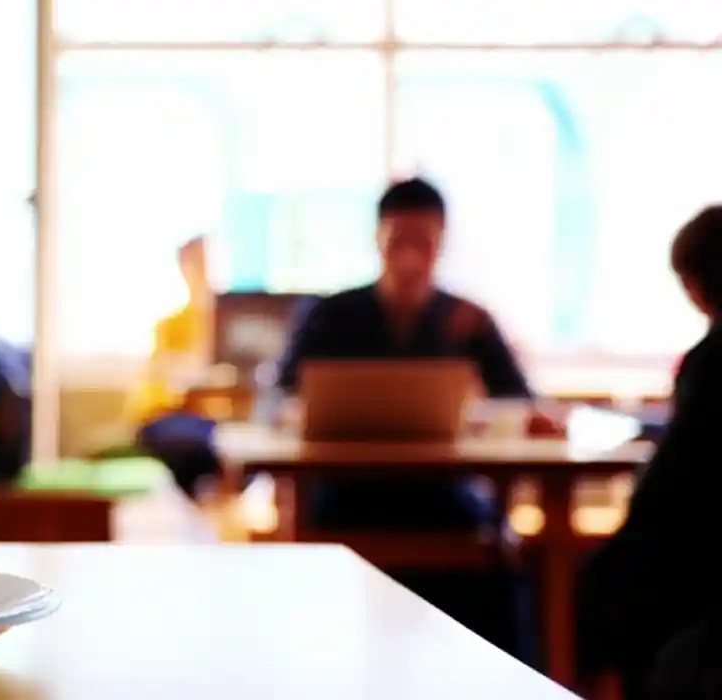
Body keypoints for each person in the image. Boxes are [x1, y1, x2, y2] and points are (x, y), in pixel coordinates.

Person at [275, 177, 549, 660]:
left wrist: (493, 418)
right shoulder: (331, 315)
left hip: (439, 493)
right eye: (399, 240)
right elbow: (275, 400)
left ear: (442, 241)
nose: (410, 256)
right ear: (378, 237)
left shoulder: (467, 318)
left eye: (423, 241)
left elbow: (520, 403)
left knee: (505, 561)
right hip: (347, 491)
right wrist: (295, 414)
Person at [578, 206, 722, 698]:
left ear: (697, 287)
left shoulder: (712, 362)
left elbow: (666, 495)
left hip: (692, 580)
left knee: (601, 578)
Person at [130, 236, 220, 498]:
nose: (205, 272)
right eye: (197, 263)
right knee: (195, 444)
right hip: (168, 415)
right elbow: (164, 386)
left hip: (215, 421)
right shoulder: (170, 326)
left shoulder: (238, 325)